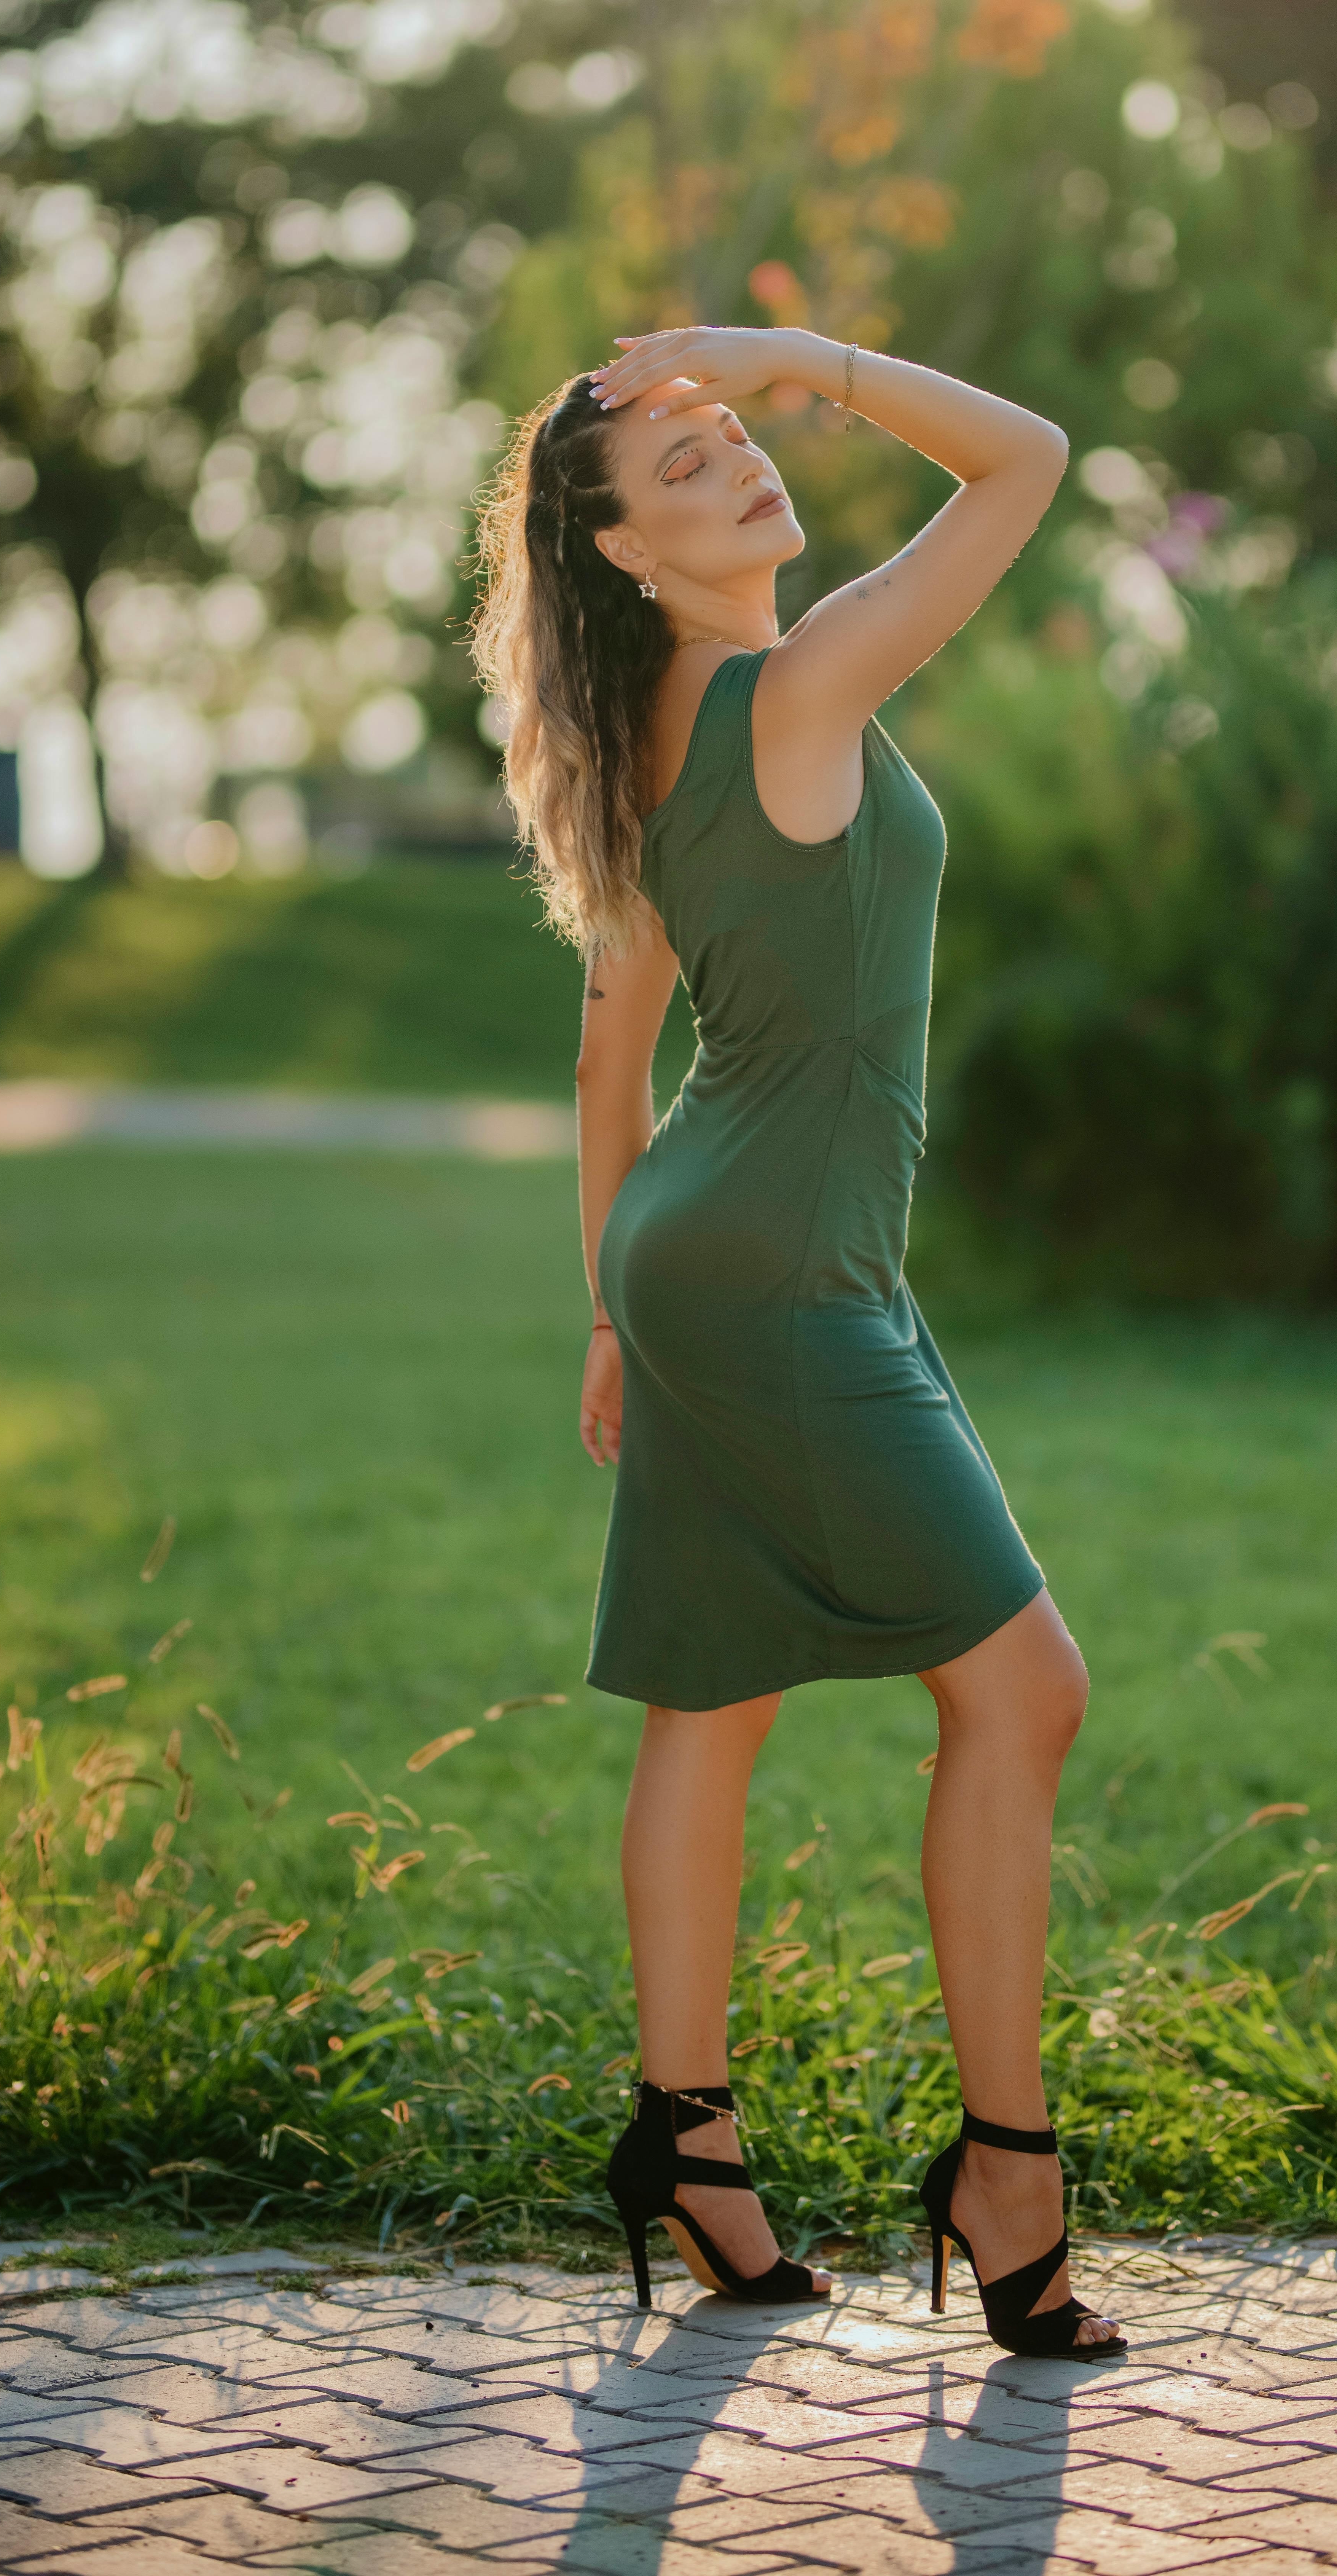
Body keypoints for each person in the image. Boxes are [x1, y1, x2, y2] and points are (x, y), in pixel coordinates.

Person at [471, 322, 1121, 2357]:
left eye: (731, 428)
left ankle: (690, 2145)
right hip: (777, 1271)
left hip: (704, 1252)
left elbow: (607, 1057)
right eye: (682, 468)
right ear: (625, 561)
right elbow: (1027, 452)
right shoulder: (795, 675)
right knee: (1023, 1698)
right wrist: (807, 350)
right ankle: (1003, 2169)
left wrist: (607, 1304)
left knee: (710, 1701)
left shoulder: (645, 732)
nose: (738, 458)